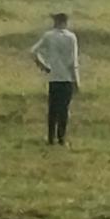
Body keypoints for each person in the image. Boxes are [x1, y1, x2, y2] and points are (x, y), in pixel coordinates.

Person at [30, 12, 81, 145]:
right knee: (64, 109)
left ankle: (50, 138)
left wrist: (43, 65)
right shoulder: (71, 37)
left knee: (53, 109)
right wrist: (76, 80)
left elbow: (33, 51)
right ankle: (61, 138)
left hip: (54, 78)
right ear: (65, 22)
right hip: (67, 78)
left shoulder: (49, 36)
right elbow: (73, 61)